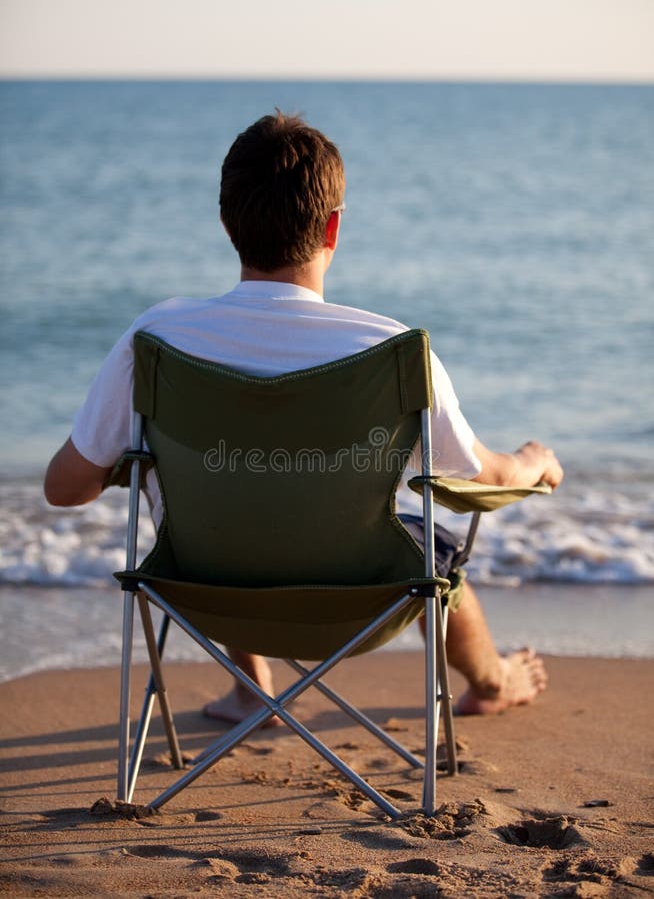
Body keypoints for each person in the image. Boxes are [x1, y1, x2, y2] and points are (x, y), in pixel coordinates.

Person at [44, 111, 563, 724]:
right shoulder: (391, 351)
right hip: (360, 603)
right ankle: (494, 681)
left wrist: (146, 461)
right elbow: (477, 476)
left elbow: (64, 489)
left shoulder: (157, 339)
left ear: (226, 223)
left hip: (206, 590)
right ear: (333, 228)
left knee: (228, 493)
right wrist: (532, 463)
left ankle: (249, 689)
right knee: (436, 551)